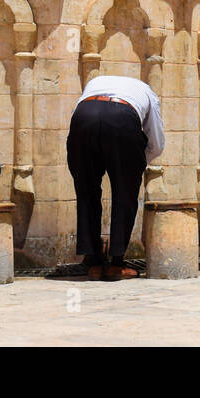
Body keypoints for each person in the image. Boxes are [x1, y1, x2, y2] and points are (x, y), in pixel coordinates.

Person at [68, 74, 165, 281]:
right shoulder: (148, 93)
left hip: (84, 116)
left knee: (86, 192)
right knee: (125, 195)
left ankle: (93, 263)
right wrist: (134, 166)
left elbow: (77, 116)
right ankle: (116, 264)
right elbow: (156, 143)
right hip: (122, 117)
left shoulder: (94, 83)